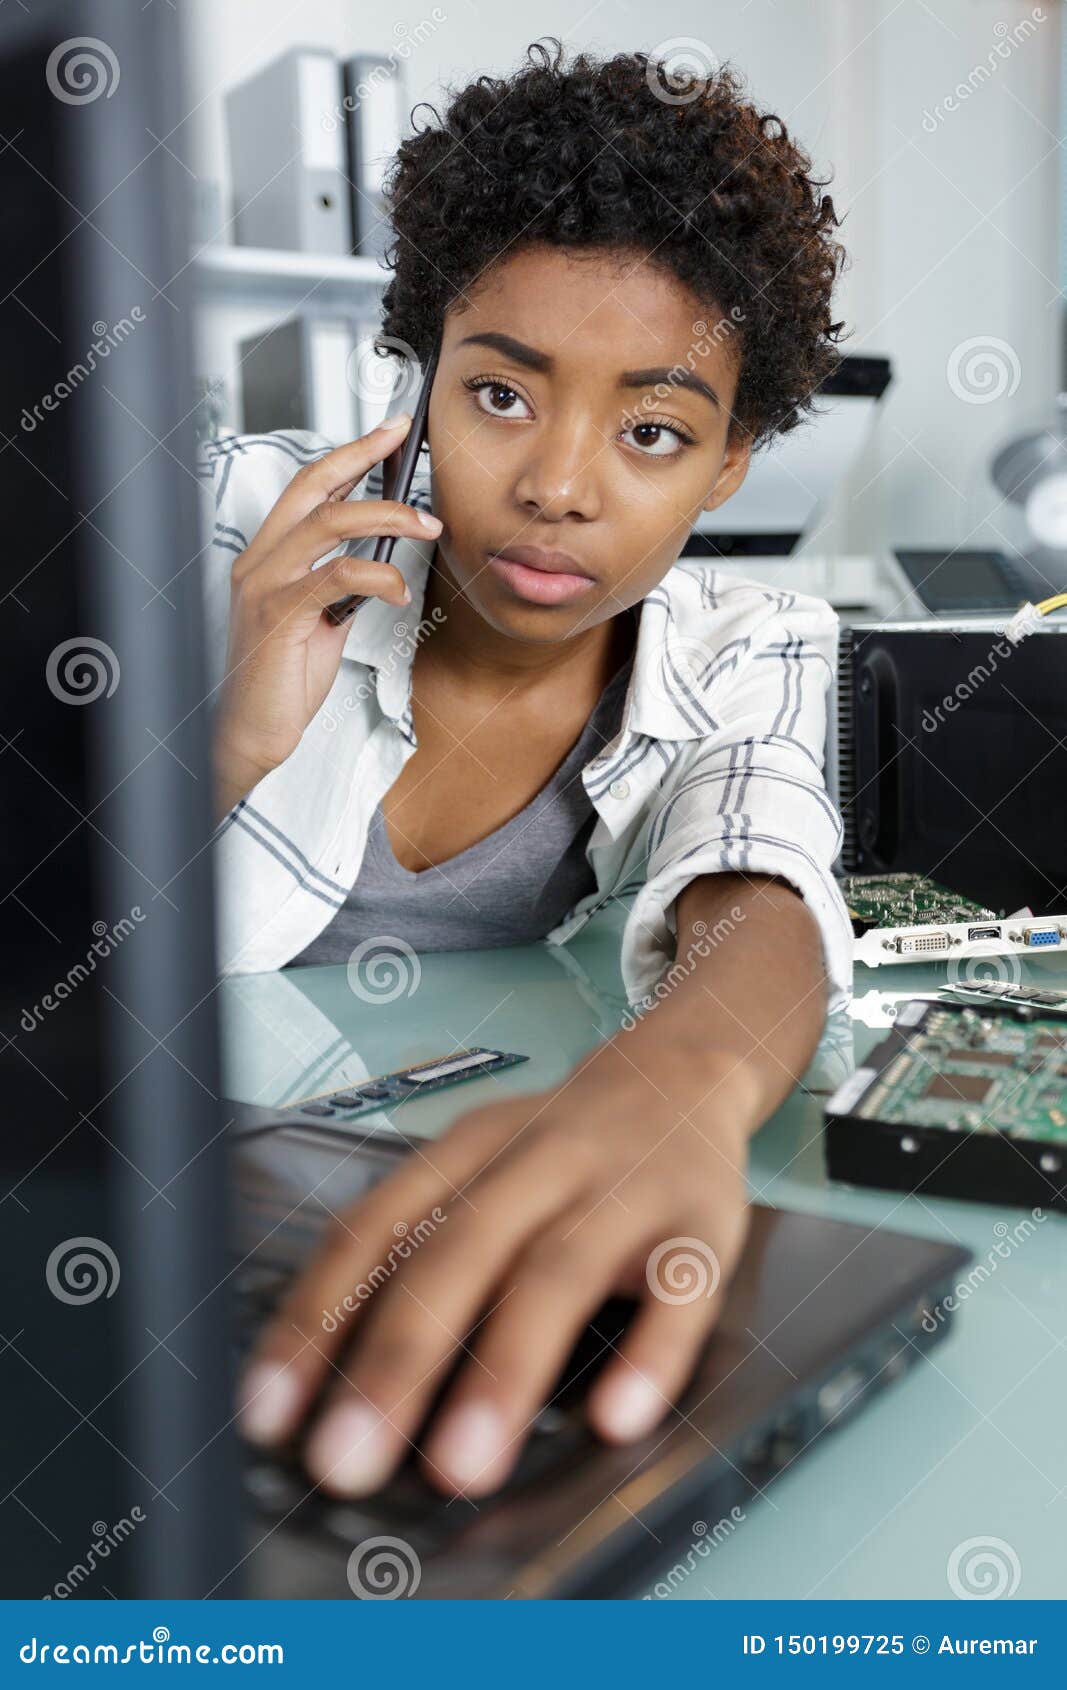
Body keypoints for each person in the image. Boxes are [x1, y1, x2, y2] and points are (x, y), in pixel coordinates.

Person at [203, 39, 854, 1502]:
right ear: (424, 374)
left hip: (442, 1186)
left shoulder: (752, 641)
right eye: (501, 396)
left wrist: (682, 1077)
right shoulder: (234, 519)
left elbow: (762, 881)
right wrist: (216, 741)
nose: (561, 483)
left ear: (731, 460)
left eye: (651, 431)